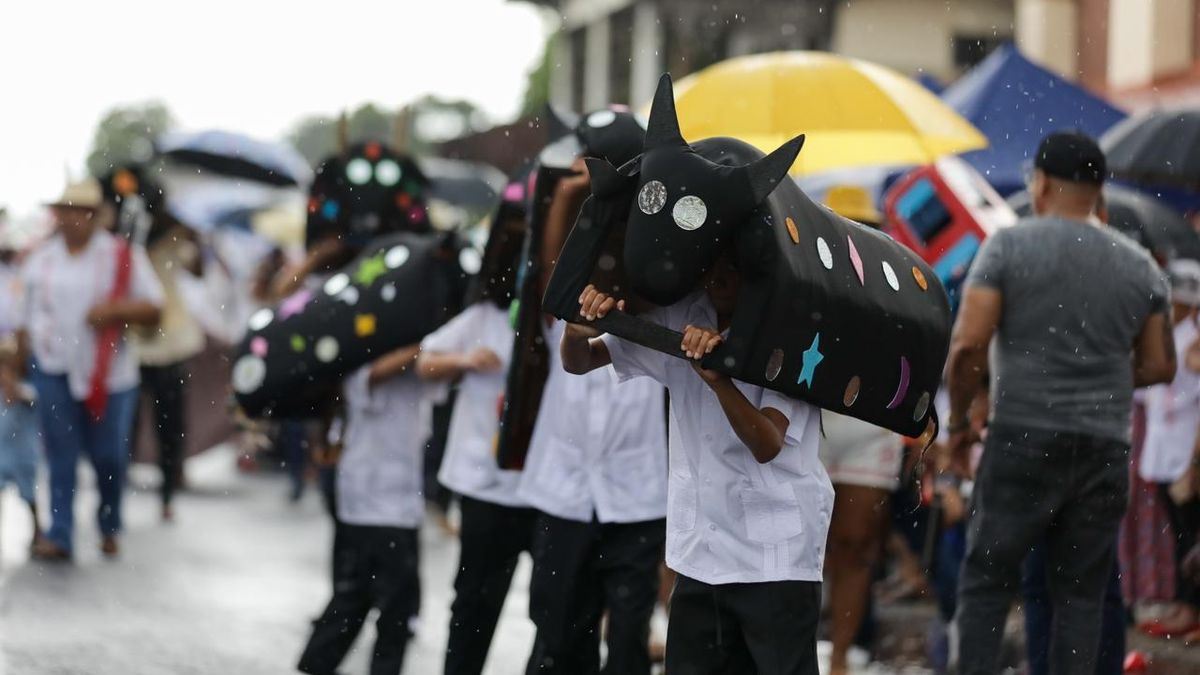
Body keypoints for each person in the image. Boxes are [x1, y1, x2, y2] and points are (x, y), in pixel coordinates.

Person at [946, 132, 1176, 673]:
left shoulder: (1008, 246)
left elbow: (968, 345)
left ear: (1042, 183)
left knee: (988, 580)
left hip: (1022, 434)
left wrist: (958, 424)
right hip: (1104, 447)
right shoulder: (1141, 266)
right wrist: (1101, 375)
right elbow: (1160, 365)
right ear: (1099, 192)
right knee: (1080, 595)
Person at [561, 253, 831, 673]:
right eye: (711, 262)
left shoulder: (793, 330)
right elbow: (580, 362)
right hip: (701, 551)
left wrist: (719, 380)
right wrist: (575, 334)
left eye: (734, 264)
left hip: (776, 558)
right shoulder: (681, 317)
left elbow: (767, 443)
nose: (719, 275)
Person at [520, 161, 669, 675]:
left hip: (636, 496)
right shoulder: (565, 307)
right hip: (565, 493)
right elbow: (550, 273)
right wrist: (572, 193)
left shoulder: (657, 319)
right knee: (559, 631)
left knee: (628, 637)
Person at [19, 177, 164, 560]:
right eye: (64, 211)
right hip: (53, 368)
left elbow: (154, 308)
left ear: (94, 216)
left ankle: (109, 521)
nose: (70, 219)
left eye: (78, 212)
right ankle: (61, 533)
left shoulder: (121, 255)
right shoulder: (42, 259)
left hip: (110, 374)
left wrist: (115, 310)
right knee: (60, 454)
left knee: (108, 455)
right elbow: (24, 319)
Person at [417, 212, 529, 675]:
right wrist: (465, 360)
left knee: (555, 604)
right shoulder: (484, 318)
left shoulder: (557, 323)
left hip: (542, 486)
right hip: (484, 484)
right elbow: (425, 361)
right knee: (475, 599)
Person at [296, 343, 428, 675]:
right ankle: (325, 663)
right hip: (371, 499)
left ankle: (317, 663)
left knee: (363, 592)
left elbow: (437, 371)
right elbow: (375, 373)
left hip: (396, 502)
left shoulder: (409, 360)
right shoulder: (361, 354)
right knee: (383, 600)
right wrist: (424, 340)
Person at [1136, 258, 1200, 643]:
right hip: (1162, 452)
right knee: (1178, 533)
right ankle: (1184, 603)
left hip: (1185, 453)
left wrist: (1194, 463)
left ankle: (1193, 608)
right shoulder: (1166, 337)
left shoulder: (1193, 342)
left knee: (1192, 534)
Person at [818, 413, 903, 674]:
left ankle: (839, 659)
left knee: (855, 546)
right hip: (805, 413)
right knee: (788, 542)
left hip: (874, 419)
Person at [133, 217, 204, 522]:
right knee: (131, 422)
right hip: (135, 345)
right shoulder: (128, 243)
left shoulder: (173, 238)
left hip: (169, 344)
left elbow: (197, 269)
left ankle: (167, 488)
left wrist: (193, 237)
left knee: (169, 424)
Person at [0, 336, 43, 550]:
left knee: (28, 494)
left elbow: (31, 400)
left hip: (23, 454)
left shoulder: (26, 390)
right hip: (2, 453)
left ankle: (37, 529)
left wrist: (14, 390)